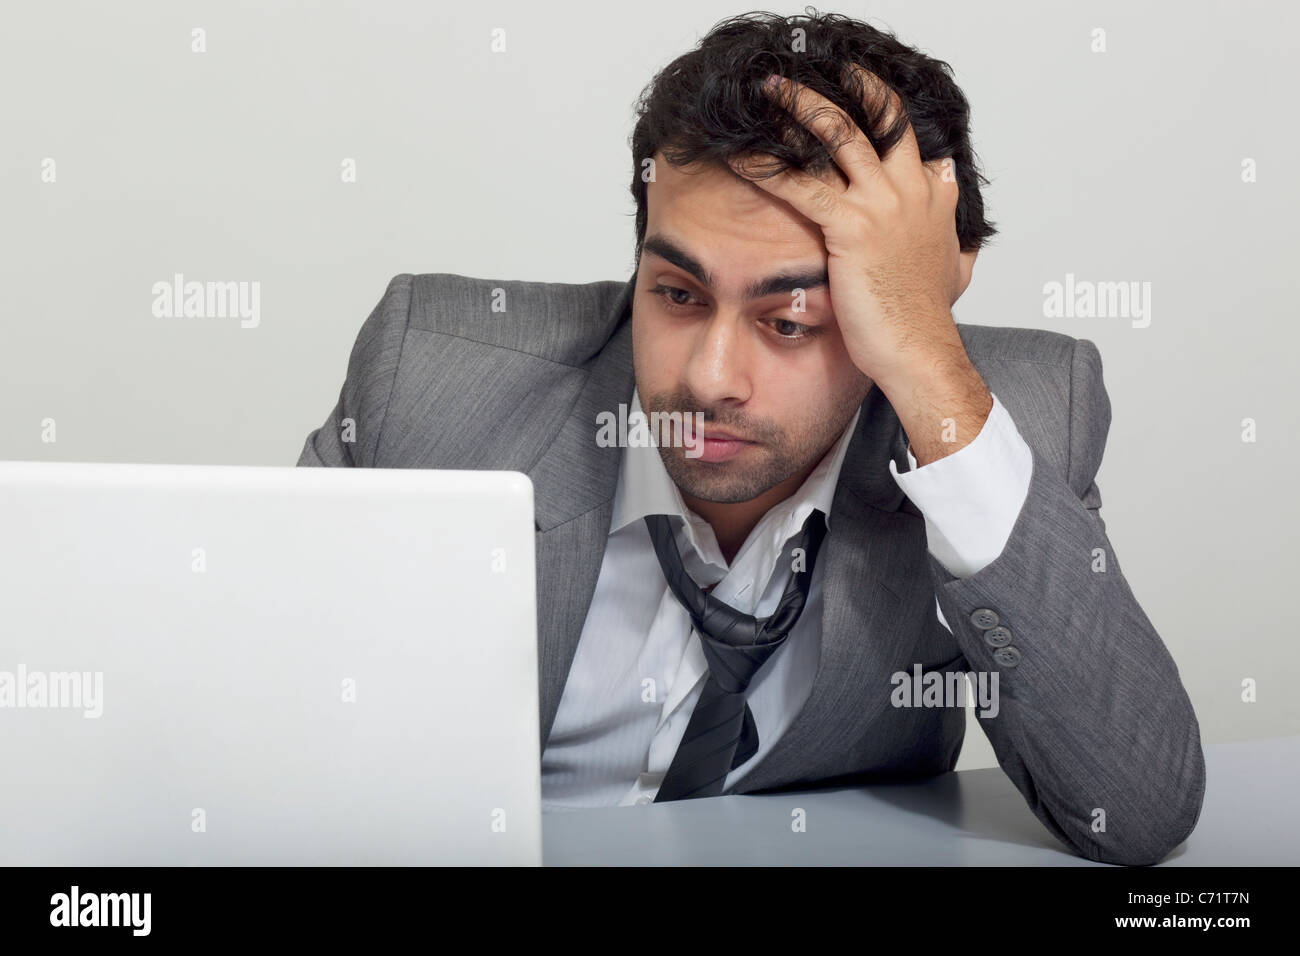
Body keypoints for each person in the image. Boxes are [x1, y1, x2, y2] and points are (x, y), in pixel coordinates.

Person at [298, 10, 1204, 866]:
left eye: (791, 319)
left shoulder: (1007, 417)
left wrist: (930, 368)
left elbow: (1135, 811)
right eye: (678, 294)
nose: (708, 377)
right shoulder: (427, 377)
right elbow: (253, 727)